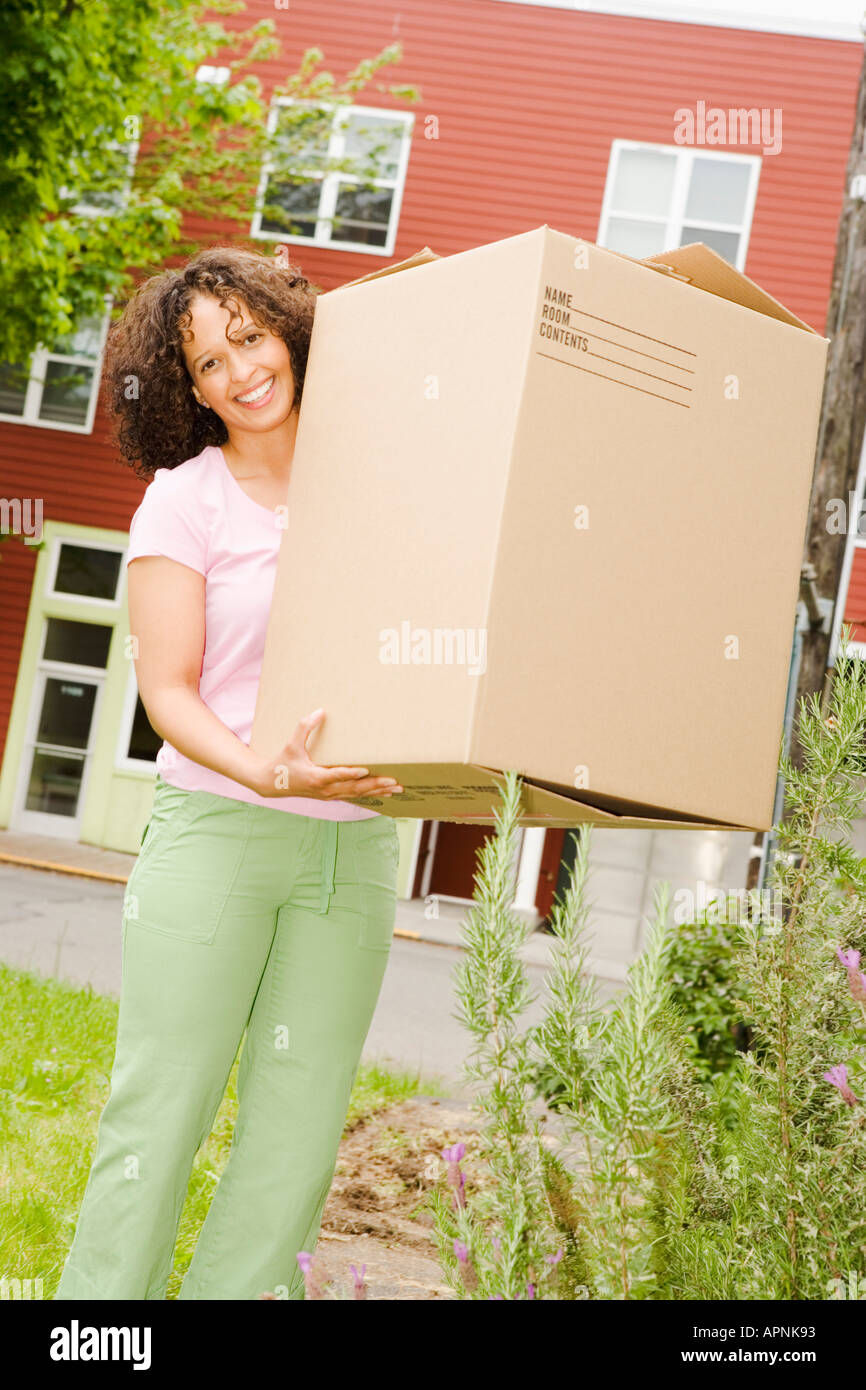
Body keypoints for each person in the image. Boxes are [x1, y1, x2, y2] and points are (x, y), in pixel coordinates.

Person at [54, 244, 404, 1301]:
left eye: (248, 337)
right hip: (216, 832)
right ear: (185, 389)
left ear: (287, 331)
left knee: (296, 1141)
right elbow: (168, 692)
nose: (238, 371)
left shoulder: (378, 478)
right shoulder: (184, 500)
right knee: (158, 1114)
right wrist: (265, 770)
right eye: (206, 362)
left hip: (354, 850)